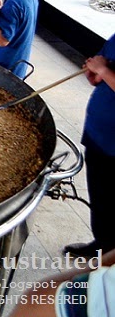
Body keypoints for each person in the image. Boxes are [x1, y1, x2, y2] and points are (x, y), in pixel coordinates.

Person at [61, 33, 115, 259]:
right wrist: (95, 74)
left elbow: (106, 70)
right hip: (99, 134)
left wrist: (103, 71)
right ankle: (102, 244)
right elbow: (104, 65)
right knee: (101, 199)